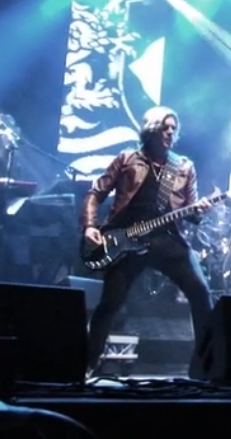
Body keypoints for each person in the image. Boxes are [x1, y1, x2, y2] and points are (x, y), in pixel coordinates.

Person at [81, 106, 214, 377]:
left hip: (167, 240)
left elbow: (192, 213)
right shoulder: (127, 158)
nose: (170, 133)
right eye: (165, 127)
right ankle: (86, 364)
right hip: (126, 240)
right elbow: (95, 193)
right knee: (110, 303)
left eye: (174, 128)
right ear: (151, 129)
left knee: (201, 293)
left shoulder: (183, 167)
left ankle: (204, 368)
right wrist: (90, 226)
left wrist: (200, 210)